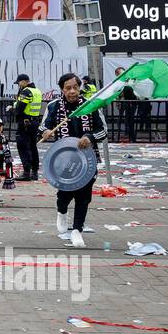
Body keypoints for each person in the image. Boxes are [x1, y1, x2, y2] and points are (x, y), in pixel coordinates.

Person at [40, 72, 108, 248]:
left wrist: (90, 137)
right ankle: (62, 212)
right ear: (62, 89)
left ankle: (77, 230)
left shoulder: (91, 106)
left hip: (88, 160)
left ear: (80, 88)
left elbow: (103, 131)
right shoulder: (54, 106)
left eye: (75, 87)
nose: (72, 91)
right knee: (64, 195)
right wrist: (46, 132)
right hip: (63, 161)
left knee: (84, 197)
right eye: (68, 88)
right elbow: (43, 126)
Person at [9, 74, 43, 181]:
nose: (19, 85)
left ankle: (26, 173)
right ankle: (35, 172)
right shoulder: (36, 90)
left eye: (19, 83)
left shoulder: (26, 92)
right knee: (33, 147)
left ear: (24, 81)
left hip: (25, 123)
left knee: (23, 147)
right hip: (34, 122)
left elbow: (19, 109)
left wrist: (11, 109)